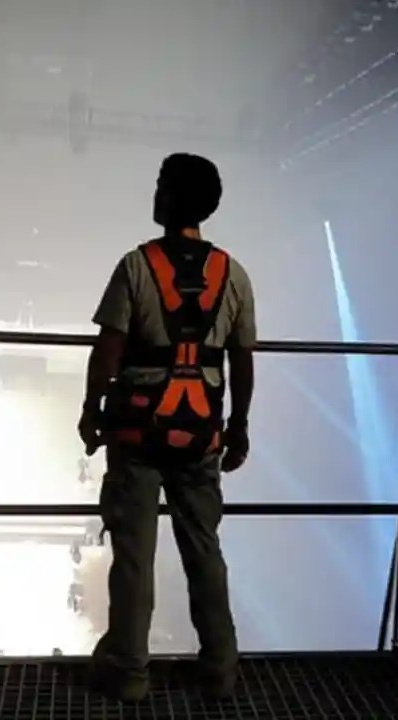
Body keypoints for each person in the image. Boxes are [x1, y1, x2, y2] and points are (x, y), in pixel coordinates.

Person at [78, 153, 256, 702]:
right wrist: (239, 428)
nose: (154, 193)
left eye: (160, 185)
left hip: (137, 435)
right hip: (202, 434)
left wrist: (92, 411)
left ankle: (129, 671)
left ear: (170, 198)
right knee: (204, 549)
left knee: (135, 555)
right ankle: (220, 668)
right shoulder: (233, 274)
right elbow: (243, 361)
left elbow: (108, 350)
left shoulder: (136, 266)